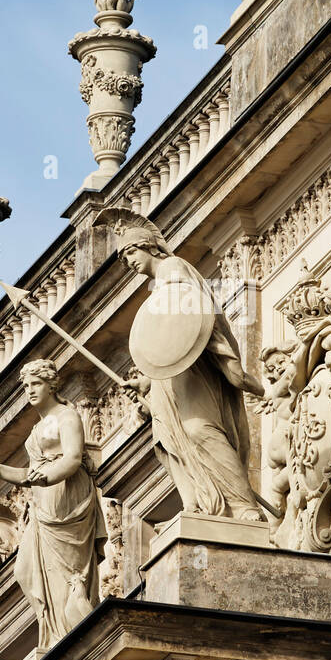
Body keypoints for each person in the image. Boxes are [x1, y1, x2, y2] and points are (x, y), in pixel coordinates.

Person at [104, 213, 268, 522]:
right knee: (171, 439)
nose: (130, 263)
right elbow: (166, 338)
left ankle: (244, 505)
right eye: (125, 259)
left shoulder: (173, 268)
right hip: (172, 374)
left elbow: (196, 320)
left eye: (131, 253)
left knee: (198, 430)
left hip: (194, 368)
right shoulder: (157, 285)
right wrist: (148, 382)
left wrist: (233, 370)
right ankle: (199, 503)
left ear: (149, 246)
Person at [0, 360, 106, 651]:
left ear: (51, 384)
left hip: (67, 497)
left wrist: (45, 478)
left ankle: (70, 627)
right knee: (25, 570)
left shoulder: (67, 417)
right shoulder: (37, 429)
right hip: (43, 501)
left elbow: (72, 459)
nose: (30, 390)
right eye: (26, 386)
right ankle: (56, 628)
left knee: (68, 569)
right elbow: (28, 475)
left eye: (35, 384)